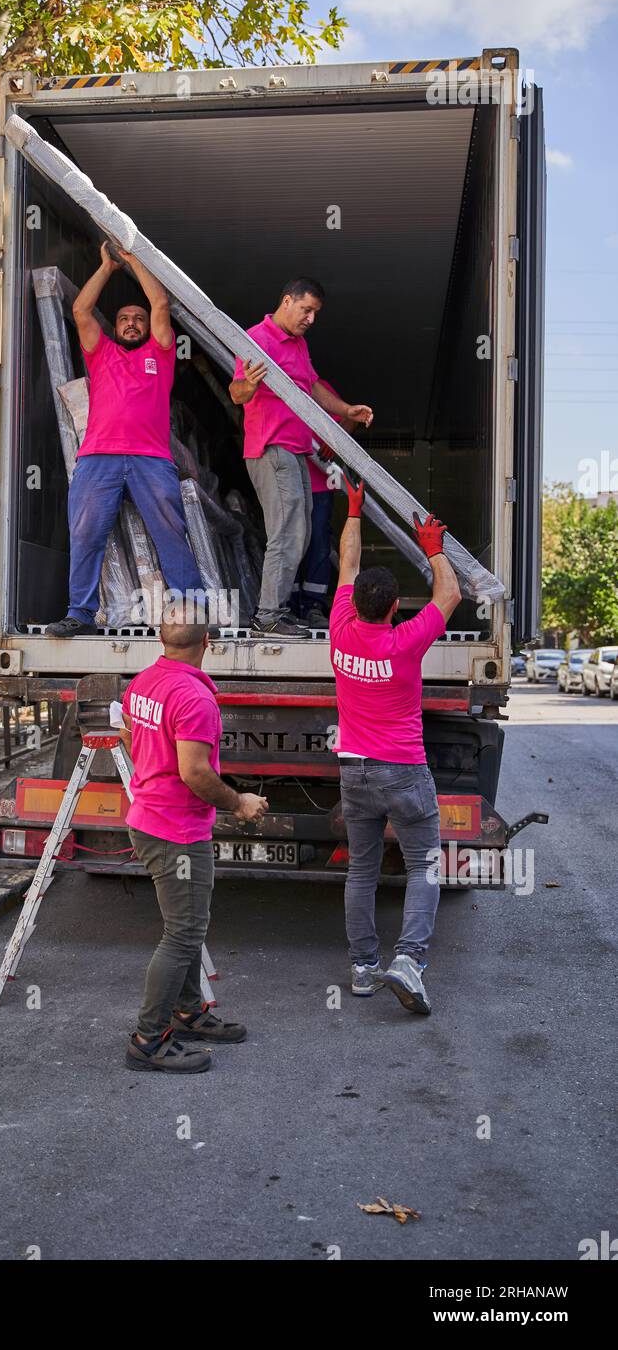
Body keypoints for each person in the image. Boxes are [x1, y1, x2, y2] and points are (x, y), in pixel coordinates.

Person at [330, 476, 461, 1015]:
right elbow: (449, 594)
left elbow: (347, 566)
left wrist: (355, 511)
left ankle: (362, 969)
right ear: (395, 607)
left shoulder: (340, 627)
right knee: (423, 866)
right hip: (403, 771)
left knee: (361, 870)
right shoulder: (406, 641)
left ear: (357, 603)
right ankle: (408, 960)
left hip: (353, 771)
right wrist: (435, 549)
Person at [120, 601, 268, 1073]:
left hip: (148, 818)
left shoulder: (143, 683)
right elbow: (194, 772)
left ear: (161, 640)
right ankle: (148, 1041)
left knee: (185, 929)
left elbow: (128, 736)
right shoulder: (195, 698)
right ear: (208, 643)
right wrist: (239, 802)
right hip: (176, 831)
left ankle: (186, 1013)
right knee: (183, 936)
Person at [46, 243, 203, 637]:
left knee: (170, 532)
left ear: (148, 326)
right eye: (124, 318)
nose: (132, 323)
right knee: (84, 533)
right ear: (114, 326)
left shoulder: (160, 352)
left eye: (139, 318)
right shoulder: (101, 353)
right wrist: (105, 267)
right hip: (99, 457)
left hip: (151, 459)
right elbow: (81, 310)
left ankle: (195, 614)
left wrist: (133, 261)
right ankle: (80, 613)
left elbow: (161, 303)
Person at [229, 278, 374, 636]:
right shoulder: (256, 339)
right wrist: (249, 383)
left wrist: (346, 410)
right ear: (287, 301)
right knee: (287, 533)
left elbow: (313, 386)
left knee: (303, 533)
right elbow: (237, 392)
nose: (311, 318)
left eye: (315, 313)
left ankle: (276, 610)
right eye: (306, 309)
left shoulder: (298, 344)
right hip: (271, 447)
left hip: (295, 451)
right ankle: (268, 615)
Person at [290, 379, 343, 627]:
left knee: (318, 542)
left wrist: (335, 442)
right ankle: (287, 604)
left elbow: (349, 416)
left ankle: (313, 605)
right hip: (288, 481)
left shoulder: (318, 387)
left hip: (321, 482)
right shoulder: (274, 385)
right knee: (288, 542)